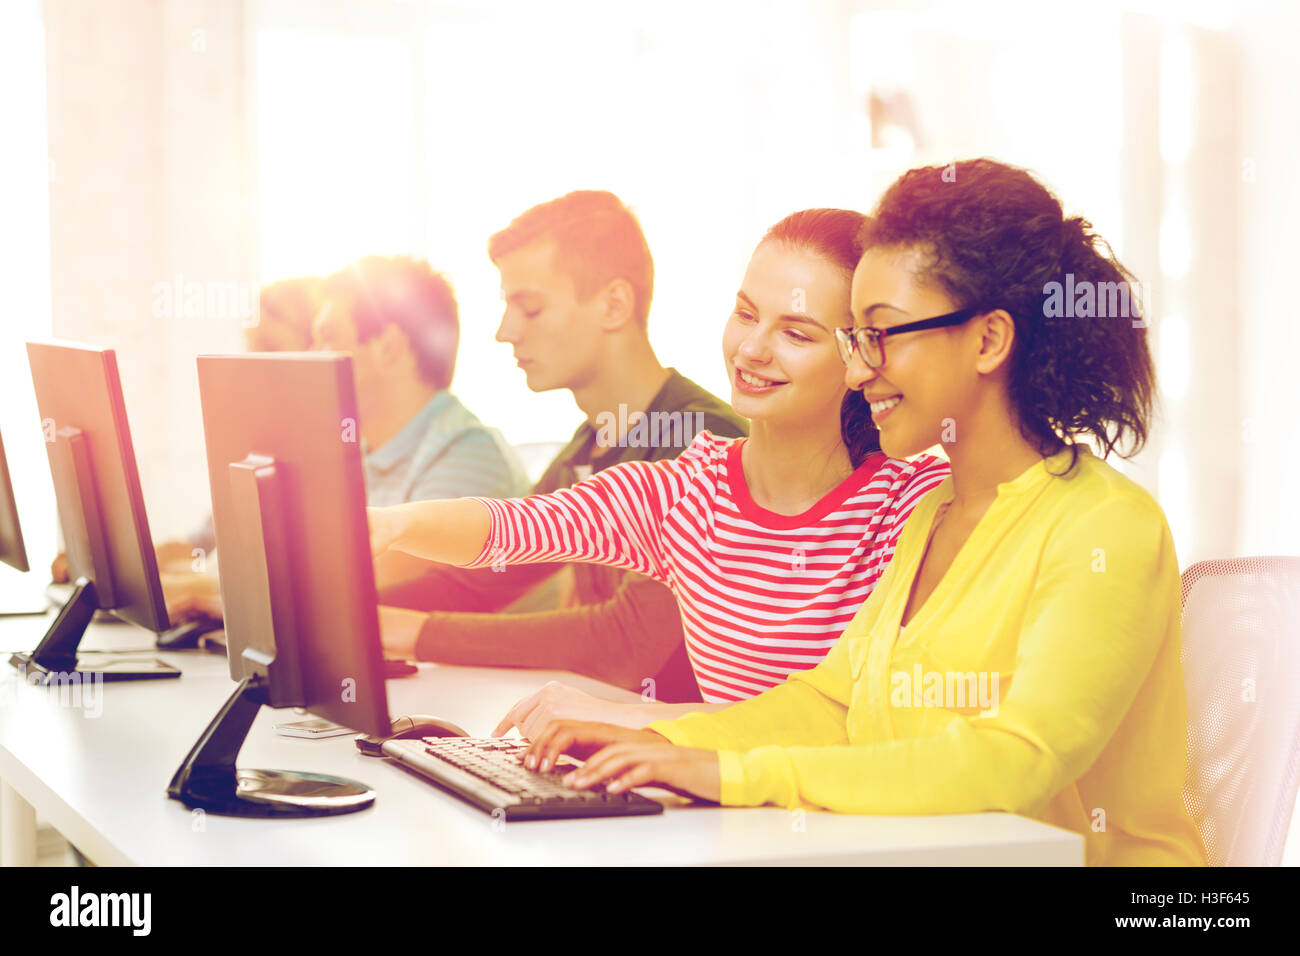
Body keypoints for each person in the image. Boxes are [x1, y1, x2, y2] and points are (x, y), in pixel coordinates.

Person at [517, 159, 1208, 867]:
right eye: (852, 339)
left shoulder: (1104, 527)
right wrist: (663, 745)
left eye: (879, 335)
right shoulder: (932, 514)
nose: (855, 372)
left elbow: (1015, 760)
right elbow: (832, 704)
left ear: (989, 341)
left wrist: (733, 774)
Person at [369, 208, 949, 734]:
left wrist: (634, 719)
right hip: (724, 820)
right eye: (745, 315)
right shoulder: (690, 489)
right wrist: (389, 525)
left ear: (860, 354)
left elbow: (862, 722)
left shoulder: (912, 503)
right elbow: (512, 528)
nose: (752, 349)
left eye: (795, 333)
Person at [374, 191, 748, 703]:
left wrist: (407, 632)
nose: (506, 332)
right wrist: (338, 618)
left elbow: (625, 641)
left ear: (614, 304)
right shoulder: (590, 447)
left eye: (529, 307)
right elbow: (485, 578)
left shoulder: (703, 442)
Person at [156, 258, 529, 621]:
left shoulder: (469, 455)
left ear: (390, 347)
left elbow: (368, 587)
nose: (310, 358)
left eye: (326, 339)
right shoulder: (354, 453)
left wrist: (204, 592)